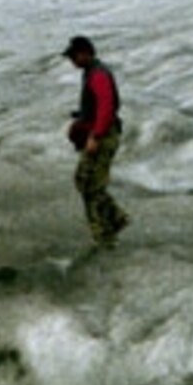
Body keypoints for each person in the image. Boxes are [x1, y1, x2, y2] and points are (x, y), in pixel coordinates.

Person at [62, 34, 128, 245]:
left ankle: (104, 235)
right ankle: (116, 219)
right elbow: (99, 107)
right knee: (86, 182)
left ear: (85, 53)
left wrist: (96, 136)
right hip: (100, 135)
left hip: (102, 137)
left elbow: (107, 107)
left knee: (90, 185)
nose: (72, 61)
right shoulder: (92, 73)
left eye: (74, 56)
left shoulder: (98, 75)